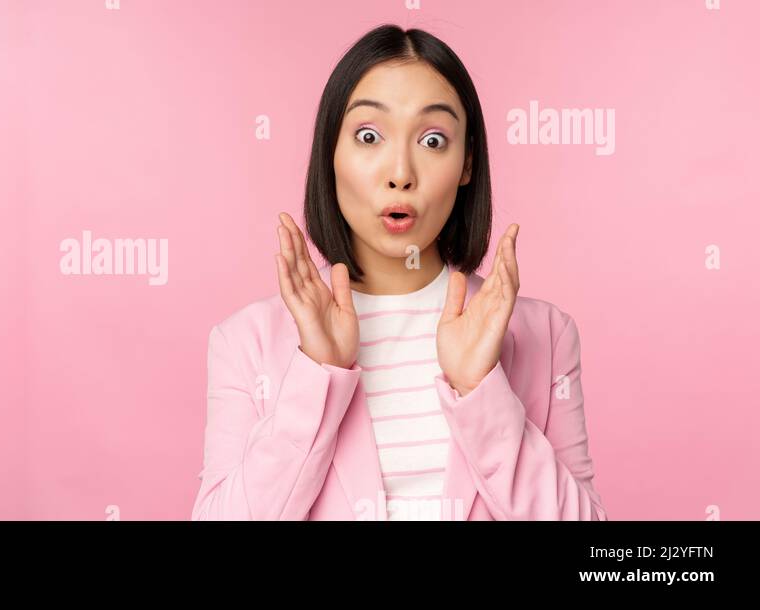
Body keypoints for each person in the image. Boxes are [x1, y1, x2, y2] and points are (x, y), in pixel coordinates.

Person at [190, 24, 606, 521]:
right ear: (331, 153)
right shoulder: (244, 343)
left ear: (467, 162)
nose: (400, 172)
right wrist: (317, 374)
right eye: (369, 136)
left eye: (433, 140)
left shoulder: (546, 337)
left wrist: (480, 388)